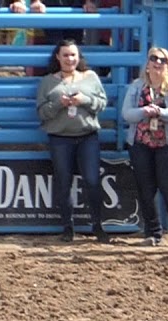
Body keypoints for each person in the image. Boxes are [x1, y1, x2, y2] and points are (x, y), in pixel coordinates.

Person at [36, 39, 109, 243]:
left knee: (93, 181)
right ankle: (67, 227)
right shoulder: (48, 82)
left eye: (73, 55)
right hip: (60, 138)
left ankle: (97, 225)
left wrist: (84, 100)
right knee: (63, 183)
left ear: (79, 57)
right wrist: (58, 105)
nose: (70, 59)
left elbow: (102, 104)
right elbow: (42, 112)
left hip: (87, 136)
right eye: (66, 55)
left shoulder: (91, 77)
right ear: (58, 57)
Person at [121, 47, 168, 248]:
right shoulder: (136, 86)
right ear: (148, 63)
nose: (158, 62)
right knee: (146, 188)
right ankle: (152, 232)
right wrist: (144, 110)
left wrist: (161, 112)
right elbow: (127, 113)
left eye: (163, 60)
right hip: (141, 142)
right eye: (154, 58)